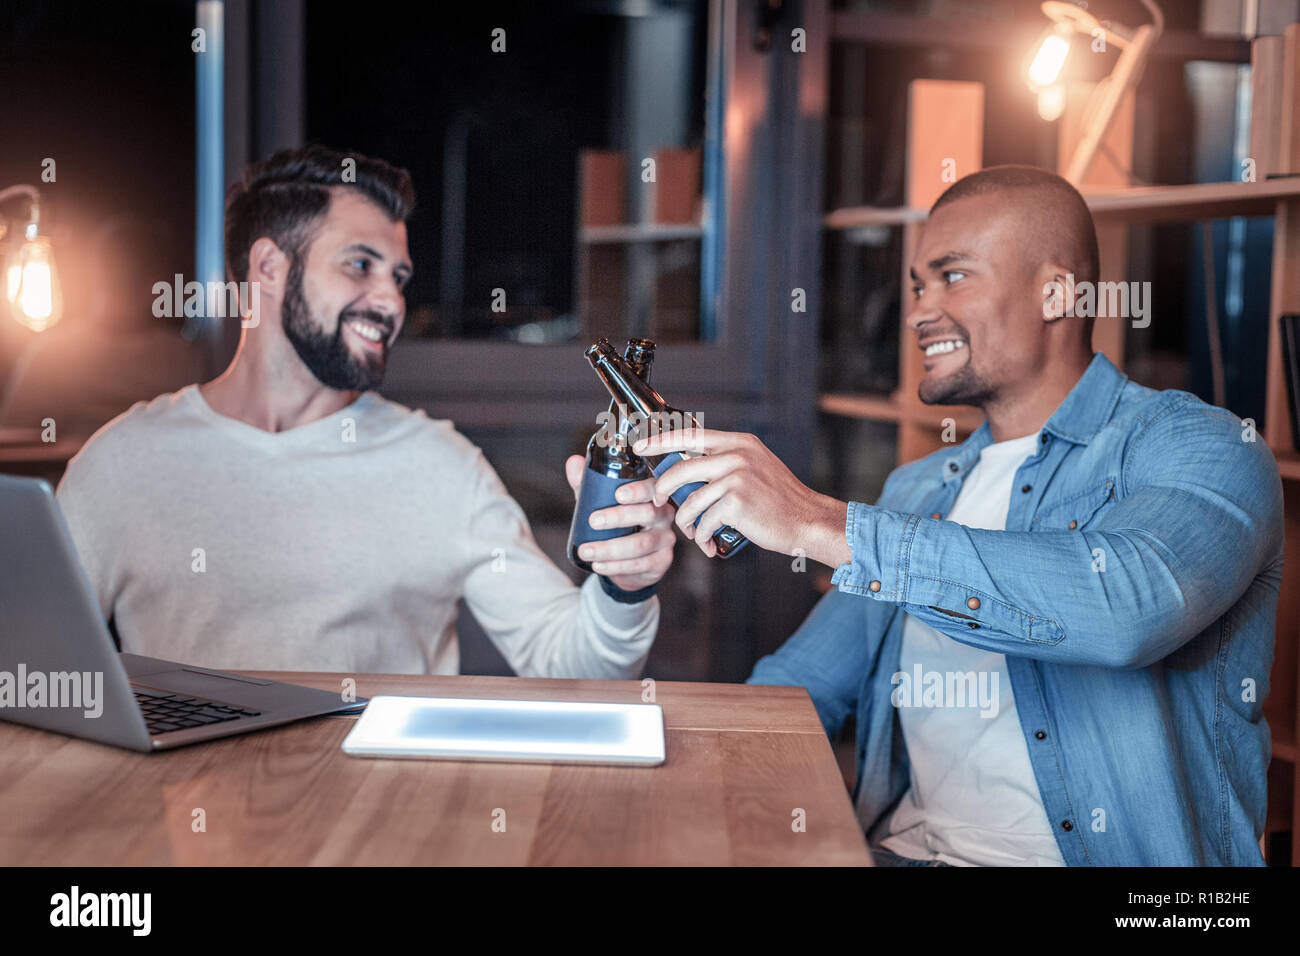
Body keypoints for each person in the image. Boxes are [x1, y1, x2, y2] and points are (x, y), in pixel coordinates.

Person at [637, 165, 1284, 866]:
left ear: (1059, 293)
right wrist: (658, 769)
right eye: (917, 284)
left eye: (954, 277)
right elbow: (798, 691)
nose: (918, 310)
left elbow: (1127, 607)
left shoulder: (1203, 446)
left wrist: (821, 524)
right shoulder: (917, 492)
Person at [55, 145, 675, 677]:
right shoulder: (122, 461)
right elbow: (36, 668)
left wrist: (626, 588)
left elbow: (570, 663)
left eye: (399, 278)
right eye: (360, 265)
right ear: (268, 267)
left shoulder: (440, 465)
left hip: (384, 807)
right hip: (179, 806)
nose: (392, 302)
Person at [0, 218, 207, 435]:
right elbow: (15, 439)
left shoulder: (181, 358)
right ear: (157, 281)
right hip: (68, 467)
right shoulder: (52, 355)